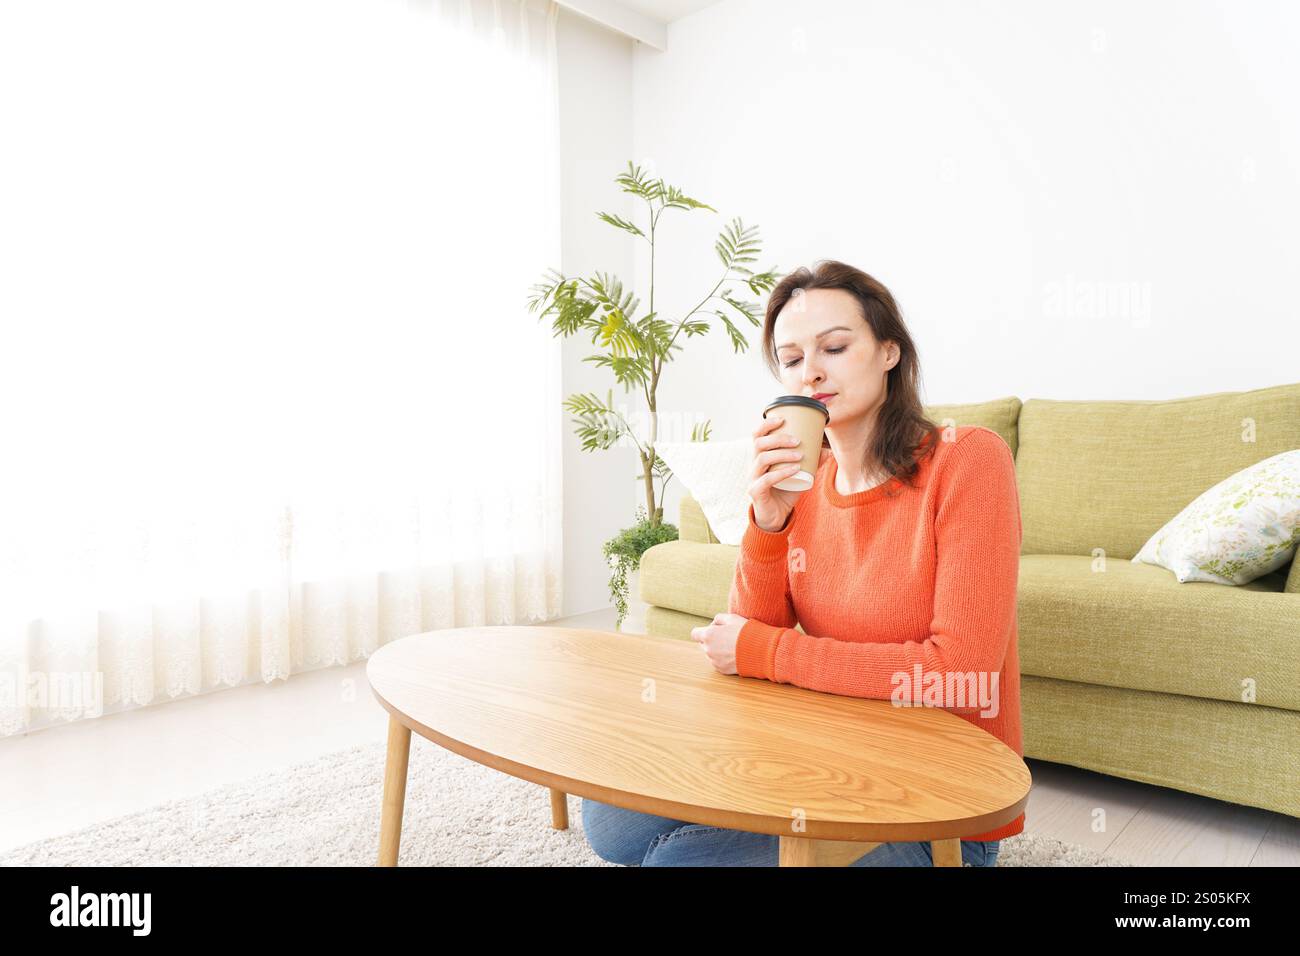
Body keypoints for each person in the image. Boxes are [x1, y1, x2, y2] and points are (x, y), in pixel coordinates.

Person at [582, 259, 1024, 866]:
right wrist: (768, 519)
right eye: (790, 359)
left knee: (673, 861)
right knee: (610, 821)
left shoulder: (967, 460)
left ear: (889, 352)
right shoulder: (804, 481)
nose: (810, 371)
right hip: (825, 759)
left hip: (934, 800)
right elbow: (749, 640)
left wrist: (774, 653)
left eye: (835, 347)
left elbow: (961, 671)